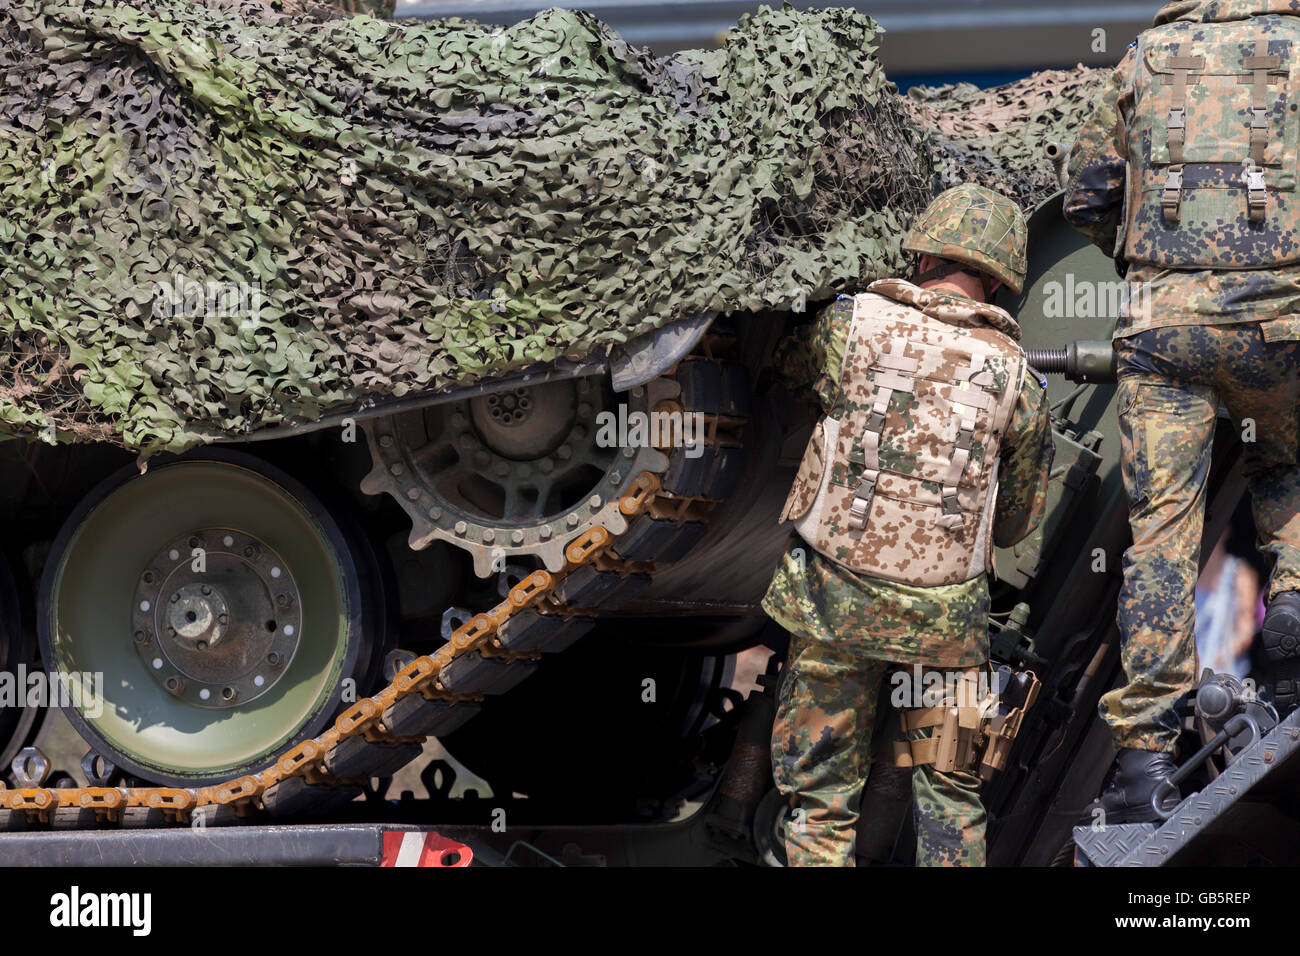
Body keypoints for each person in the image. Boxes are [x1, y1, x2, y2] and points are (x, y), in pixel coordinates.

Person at [765, 184, 1055, 866]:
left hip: (833, 603)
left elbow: (781, 368)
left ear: (921, 253)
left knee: (821, 797)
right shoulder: (1018, 377)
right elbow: (1013, 523)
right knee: (951, 795)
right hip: (949, 628)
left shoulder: (849, 325)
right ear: (1000, 277)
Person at [1063, 0, 1300, 824]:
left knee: (1162, 536)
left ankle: (1142, 760)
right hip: (1285, 323)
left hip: (1163, 330)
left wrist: (1154, 277)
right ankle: (1296, 610)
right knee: (1291, 461)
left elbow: (1087, 195)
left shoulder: (1142, 56)